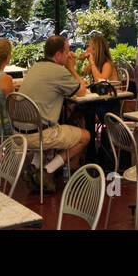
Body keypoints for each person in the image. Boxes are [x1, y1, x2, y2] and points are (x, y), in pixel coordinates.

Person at [18, 35, 92, 173]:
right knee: (85, 136)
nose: (70, 54)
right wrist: (71, 68)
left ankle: (35, 166)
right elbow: (82, 91)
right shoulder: (59, 71)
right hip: (39, 135)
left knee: (57, 120)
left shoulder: (36, 66)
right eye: (67, 51)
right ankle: (48, 170)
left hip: (18, 132)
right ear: (58, 54)